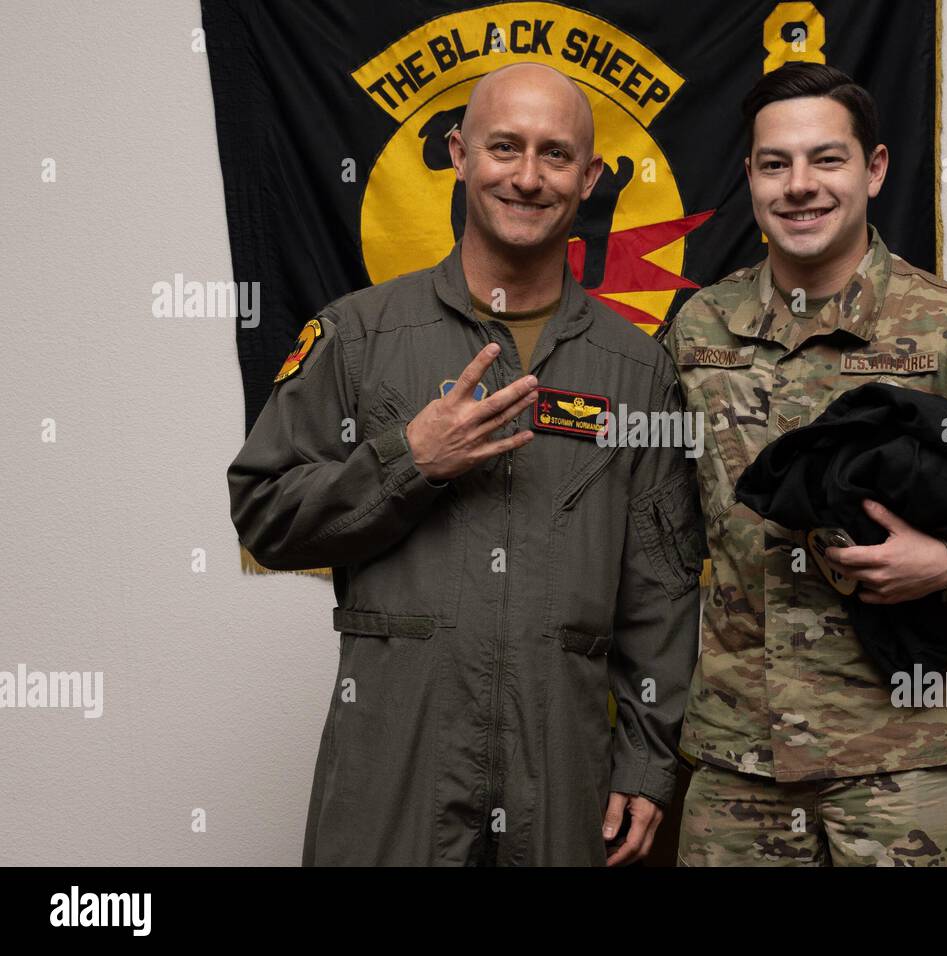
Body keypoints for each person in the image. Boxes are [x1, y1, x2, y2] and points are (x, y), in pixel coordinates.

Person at [227, 62, 703, 866]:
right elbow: (264, 514)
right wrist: (408, 460)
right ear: (458, 153)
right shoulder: (359, 337)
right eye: (504, 147)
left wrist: (651, 760)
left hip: (563, 759)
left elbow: (662, 592)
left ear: (589, 177)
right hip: (395, 752)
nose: (527, 176)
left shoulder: (638, 371)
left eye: (555, 155)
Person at [659, 63, 947, 866]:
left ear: (874, 169)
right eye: (774, 164)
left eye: (827, 159)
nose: (799, 186)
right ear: (751, 177)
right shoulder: (700, 328)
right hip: (737, 764)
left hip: (904, 758)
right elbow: (657, 523)